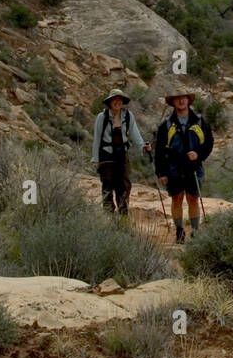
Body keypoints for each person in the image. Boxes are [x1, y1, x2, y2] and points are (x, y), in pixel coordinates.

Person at [154, 87, 214, 243]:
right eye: (177, 98)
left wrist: (199, 155)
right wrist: (161, 172)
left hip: (194, 167)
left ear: (188, 100)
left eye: (184, 98)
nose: (181, 101)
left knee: (193, 198)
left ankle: (195, 231)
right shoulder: (165, 125)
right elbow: (159, 151)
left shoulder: (200, 121)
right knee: (177, 199)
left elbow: (209, 143)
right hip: (173, 168)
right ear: (173, 102)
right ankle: (179, 232)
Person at [90, 89, 144, 215]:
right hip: (106, 155)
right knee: (107, 185)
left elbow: (135, 134)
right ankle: (109, 215)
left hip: (122, 155)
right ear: (110, 102)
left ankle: (123, 214)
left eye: (120, 100)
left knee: (124, 186)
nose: (117, 102)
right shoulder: (101, 117)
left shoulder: (128, 116)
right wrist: (95, 159)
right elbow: (97, 139)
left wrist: (142, 146)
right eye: (115, 100)